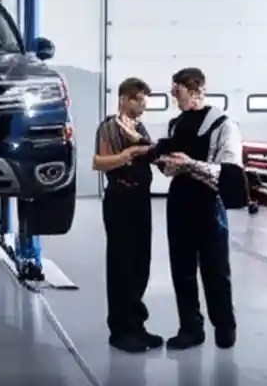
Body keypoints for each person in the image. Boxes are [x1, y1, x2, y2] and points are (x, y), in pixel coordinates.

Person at [156, 67, 242, 350]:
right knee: (181, 269)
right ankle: (190, 328)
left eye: (176, 89)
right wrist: (164, 163)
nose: (172, 94)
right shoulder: (174, 124)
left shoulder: (224, 125)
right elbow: (170, 168)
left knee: (215, 269)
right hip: (179, 203)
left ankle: (224, 325)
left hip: (208, 205)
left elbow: (228, 173)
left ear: (195, 90)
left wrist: (189, 164)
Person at [92, 77, 165, 353]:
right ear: (124, 99)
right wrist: (130, 153)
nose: (143, 104)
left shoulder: (140, 127)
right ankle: (120, 329)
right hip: (120, 199)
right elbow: (98, 162)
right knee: (121, 264)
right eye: (138, 98)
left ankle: (137, 325)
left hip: (140, 201)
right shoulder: (110, 127)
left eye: (145, 99)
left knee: (140, 263)